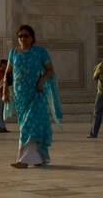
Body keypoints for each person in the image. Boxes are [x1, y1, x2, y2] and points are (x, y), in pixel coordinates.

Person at [4, 24, 62, 167]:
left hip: (36, 94)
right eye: (20, 36)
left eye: (25, 36)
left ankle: (24, 161)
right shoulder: (13, 53)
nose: (22, 38)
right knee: (26, 125)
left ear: (32, 38)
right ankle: (38, 159)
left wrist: (41, 81)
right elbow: (8, 74)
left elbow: (50, 70)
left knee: (30, 125)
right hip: (21, 97)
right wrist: (5, 92)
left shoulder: (40, 52)